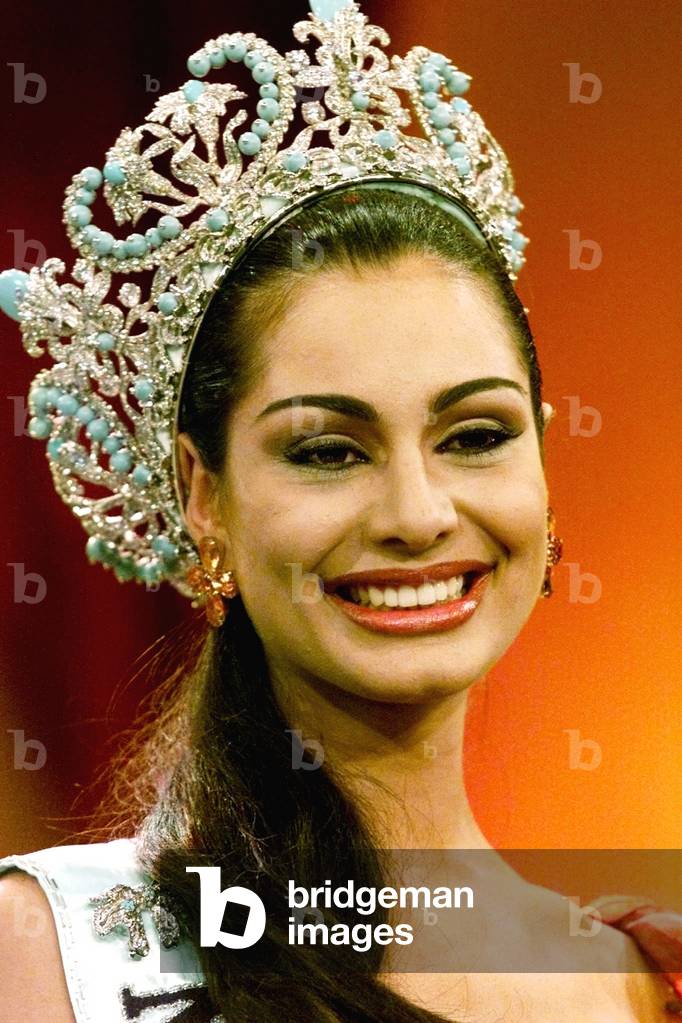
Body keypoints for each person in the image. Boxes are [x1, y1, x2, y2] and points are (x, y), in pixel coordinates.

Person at [0, 2, 680, 1021]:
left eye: (475, 436)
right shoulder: (60, 955)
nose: (415, 512)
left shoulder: (639, 982)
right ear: (204, 495)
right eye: (327, 451)